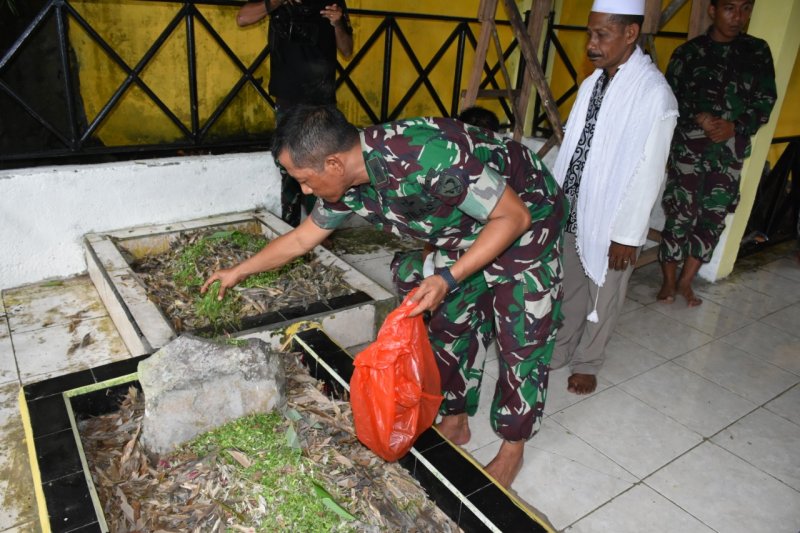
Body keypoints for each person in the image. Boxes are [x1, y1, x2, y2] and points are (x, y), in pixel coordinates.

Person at [202, 105, 567, 488]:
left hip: (528, 219)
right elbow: (300, 240)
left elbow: (513, 217)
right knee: (451, 321)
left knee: (522, 336)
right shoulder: (349, 183)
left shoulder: (428, 155)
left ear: (333, 163)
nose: (305, 190)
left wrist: (447, 276)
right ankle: (456, 419)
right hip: (469, 228)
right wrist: (238, 271)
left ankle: (513, 450)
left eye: (305, 180)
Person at [549, 0, 678, 395]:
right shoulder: (595, 81)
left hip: (613, 216)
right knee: (570, 284)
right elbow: (575, 145)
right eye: (590, 33)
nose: (592, 43)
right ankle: (563, 345)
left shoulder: (654, 95)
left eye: (602, 34)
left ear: (630, 33)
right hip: (576, 204)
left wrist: (627, 233)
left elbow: (649, 172)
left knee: (604, 294)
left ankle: (589, 361)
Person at [657, 0, 777, 306]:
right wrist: (696, 116)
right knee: (680, 214)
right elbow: (668, 100)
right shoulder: (688, 53)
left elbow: (765, 101)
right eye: (729, 8)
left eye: (745, 9)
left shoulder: (757, 52)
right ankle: (668, 280)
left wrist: (736, 125)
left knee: (713, 216)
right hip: (689, 150)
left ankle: (687, 281)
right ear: (712, 10)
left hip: (728, 154)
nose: (738, 17)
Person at [236, 0, 353, 227]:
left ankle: (319, 226)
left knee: (323, 165)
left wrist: (338, 23)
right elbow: (243, 18)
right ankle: (289, 225)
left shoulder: (333, 2)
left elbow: (347, 49)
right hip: (288, 97)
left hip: (322, 98)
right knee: (289, 165)